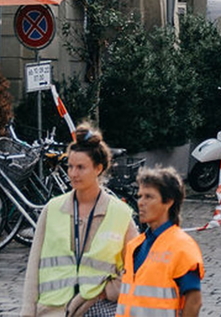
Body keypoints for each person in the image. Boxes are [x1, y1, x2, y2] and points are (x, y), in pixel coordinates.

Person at [22, 125, 138, 317]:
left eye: (81, 167)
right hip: (52, 311)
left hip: (94, 310)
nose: (73, 173)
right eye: (70, 166)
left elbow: (137, 270)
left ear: (98, 169)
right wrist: (27, 312)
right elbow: (33, 267)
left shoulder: (120, 214)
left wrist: (108, 291)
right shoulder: (52, 208)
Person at [116, 168, 204, 317]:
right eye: (140, 196)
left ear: (169, 201)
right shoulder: (135, 245)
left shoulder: (181, 246)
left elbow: (194, 301)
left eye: (149, 197)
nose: (141, 203)